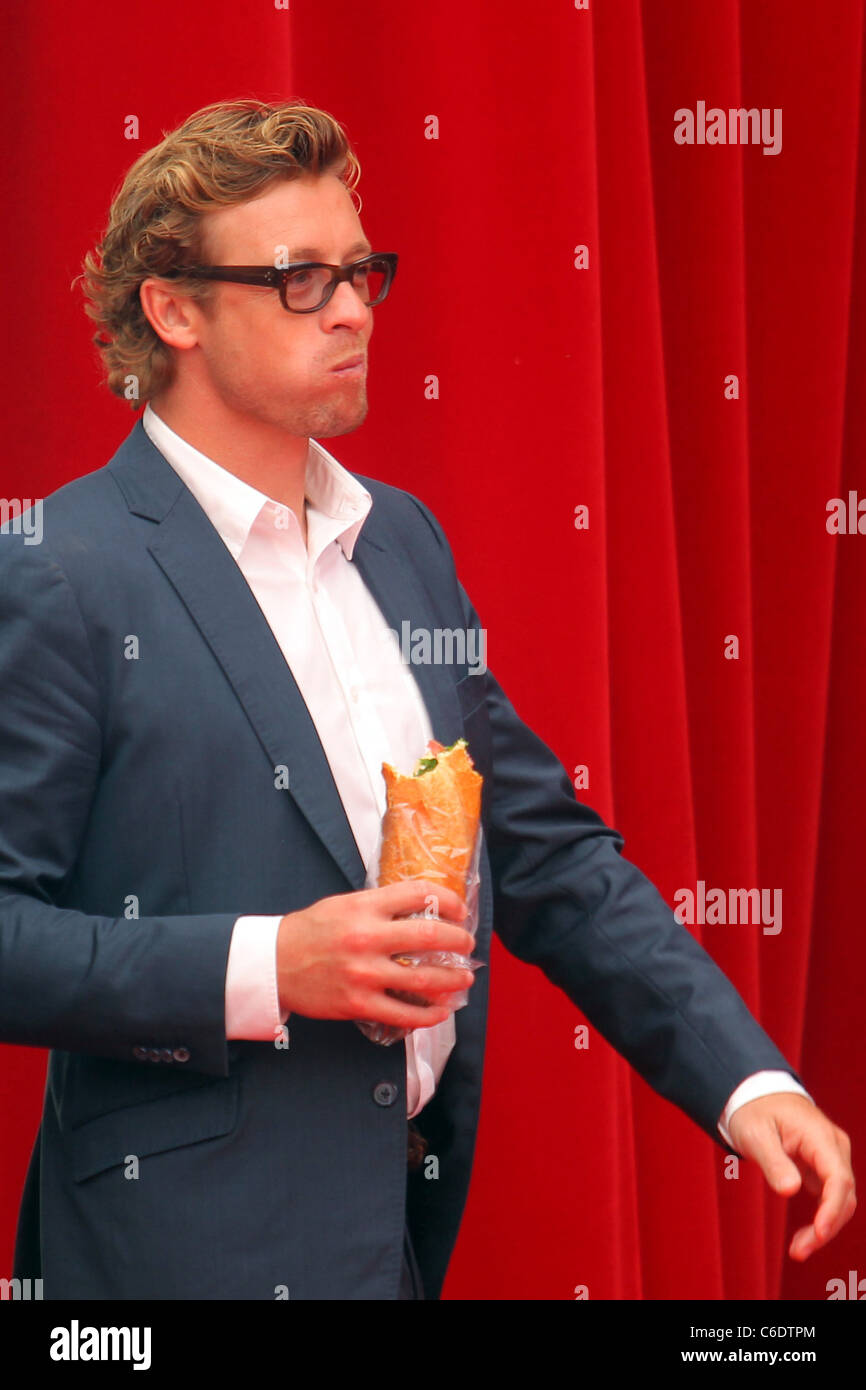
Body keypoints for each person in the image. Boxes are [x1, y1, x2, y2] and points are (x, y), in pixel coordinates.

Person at [2, 100, 855, 1301]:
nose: (351, 309)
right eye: (301, 279)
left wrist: (747, 1082)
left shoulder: (397, 540)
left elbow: (546, 851)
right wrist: (267, 965)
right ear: (173, 309)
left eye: (359, 272)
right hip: (170, 1265)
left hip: (395, 1241)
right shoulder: (58, 566)